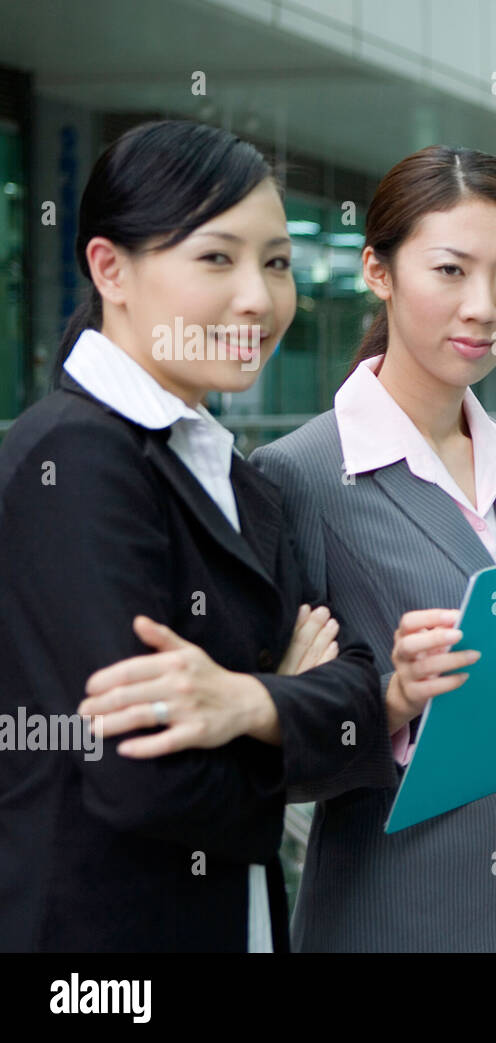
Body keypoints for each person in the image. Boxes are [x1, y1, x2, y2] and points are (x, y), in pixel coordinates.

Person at [0, 120, 394, 952]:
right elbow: (145, 779)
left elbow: (359, 682)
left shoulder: (230, 470)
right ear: (111, 269)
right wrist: (289, 703)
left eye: (277, 262)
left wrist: (247, 701)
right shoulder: (75, 461)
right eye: (216, 258)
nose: (258, 297)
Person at [251, 146, 496, 953]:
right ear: (378, 272)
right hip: (390, 910)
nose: (485, 308)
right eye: (451, 271)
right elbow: (276, 753)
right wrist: (390, 696)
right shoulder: (300, 477)